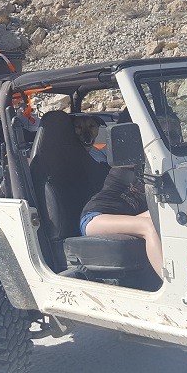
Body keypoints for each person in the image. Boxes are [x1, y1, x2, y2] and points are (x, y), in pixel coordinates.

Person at [72, 116, 163, 272]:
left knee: (167, 216)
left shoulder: (158, 160)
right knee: (149, 227)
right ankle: (172, 288)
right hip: (95, 217)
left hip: (126, 216)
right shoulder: (126, 161)